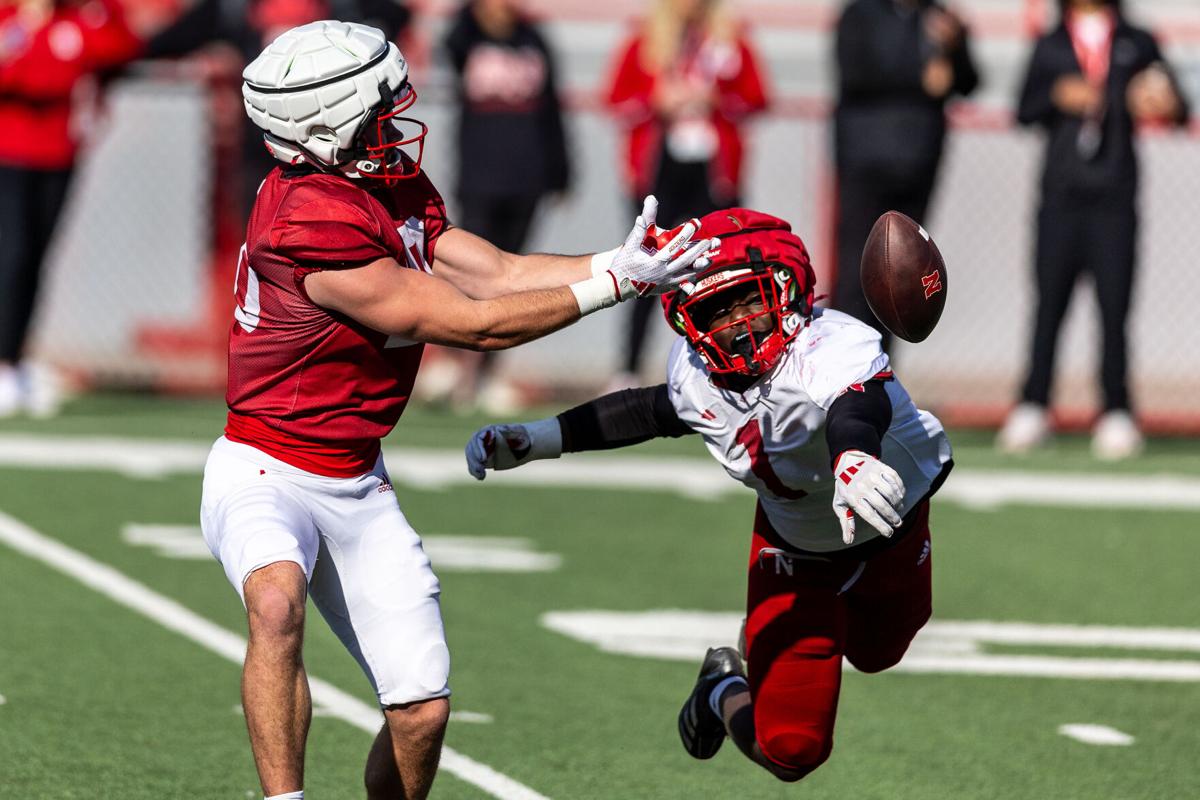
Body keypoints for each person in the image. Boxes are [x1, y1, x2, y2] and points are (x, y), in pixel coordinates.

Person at [202, 20, 714, 800]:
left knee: (422, 713)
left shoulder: (378, 181)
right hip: (265, 467)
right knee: (275, 605)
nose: (395, 124)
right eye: (377, 113)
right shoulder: (308, 218)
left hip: (355, 475)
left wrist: (621, 260)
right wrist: (617, 289)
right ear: (326, 127)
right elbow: (473, 324)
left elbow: (496, 273)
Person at [465, 208, 953, 783]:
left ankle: (777, 639)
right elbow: (646, 412)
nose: (735, 326)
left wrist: (853, 456)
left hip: (889, 520)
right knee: (791, 751)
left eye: (746, 301)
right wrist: (538, 439)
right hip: (794, 545)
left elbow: (857, 407)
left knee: (878, 653)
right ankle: (722, 687)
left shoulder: (828, 344)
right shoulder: (699, 376)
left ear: (789, 289)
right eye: (714, 312)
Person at [997, 0, 1189, 460]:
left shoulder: (1137, 41)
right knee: (1049, 305)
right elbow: (1023, 111)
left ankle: (1116, 410)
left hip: (1115, 197)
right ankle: (1033, 404)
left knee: (1114, 308)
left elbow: (1177, 107)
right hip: (1061, 196)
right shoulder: (1051, 43)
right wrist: (1057, 96)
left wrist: (1164, 102)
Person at [604, 0, 767, 390]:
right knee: (643, 267)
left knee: (719, 268)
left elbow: (757, 98)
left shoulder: (731, 40)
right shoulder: (644, 41)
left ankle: (726, 363)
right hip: (661, 173)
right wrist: (656, 101)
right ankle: (628, 368)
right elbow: (616, 100)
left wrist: (717, 101)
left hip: (713, 176)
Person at [0, 0, 141, 417]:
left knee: (36, 261)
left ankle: (15, 358)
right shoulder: (11, 19)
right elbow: (25, 75)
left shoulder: (78, 19)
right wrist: (32, 36)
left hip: (58, 155)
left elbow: (120, 47)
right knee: (12, 256)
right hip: (8, 155)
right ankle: (4, 362)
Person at [437, 0, 571, 413]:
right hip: (480, 175)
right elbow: (450, 45)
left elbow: (551, 108)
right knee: (467, 273)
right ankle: (455, 365)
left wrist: (561, 172)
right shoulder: (467, 35)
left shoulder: (534, 40)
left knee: (513, 275)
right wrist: (476, 14)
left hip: (527, 176)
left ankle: (488, 372)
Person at [832, 0, 977, 349]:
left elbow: (968, 82)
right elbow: (855, 73)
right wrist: (919, 73)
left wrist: (954, 47)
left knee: (903, 278)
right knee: (857, 270)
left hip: (918, 162)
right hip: (866, 163)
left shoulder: (939, 16)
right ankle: (843, 362)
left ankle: (882, 367)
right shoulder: (860, 14)